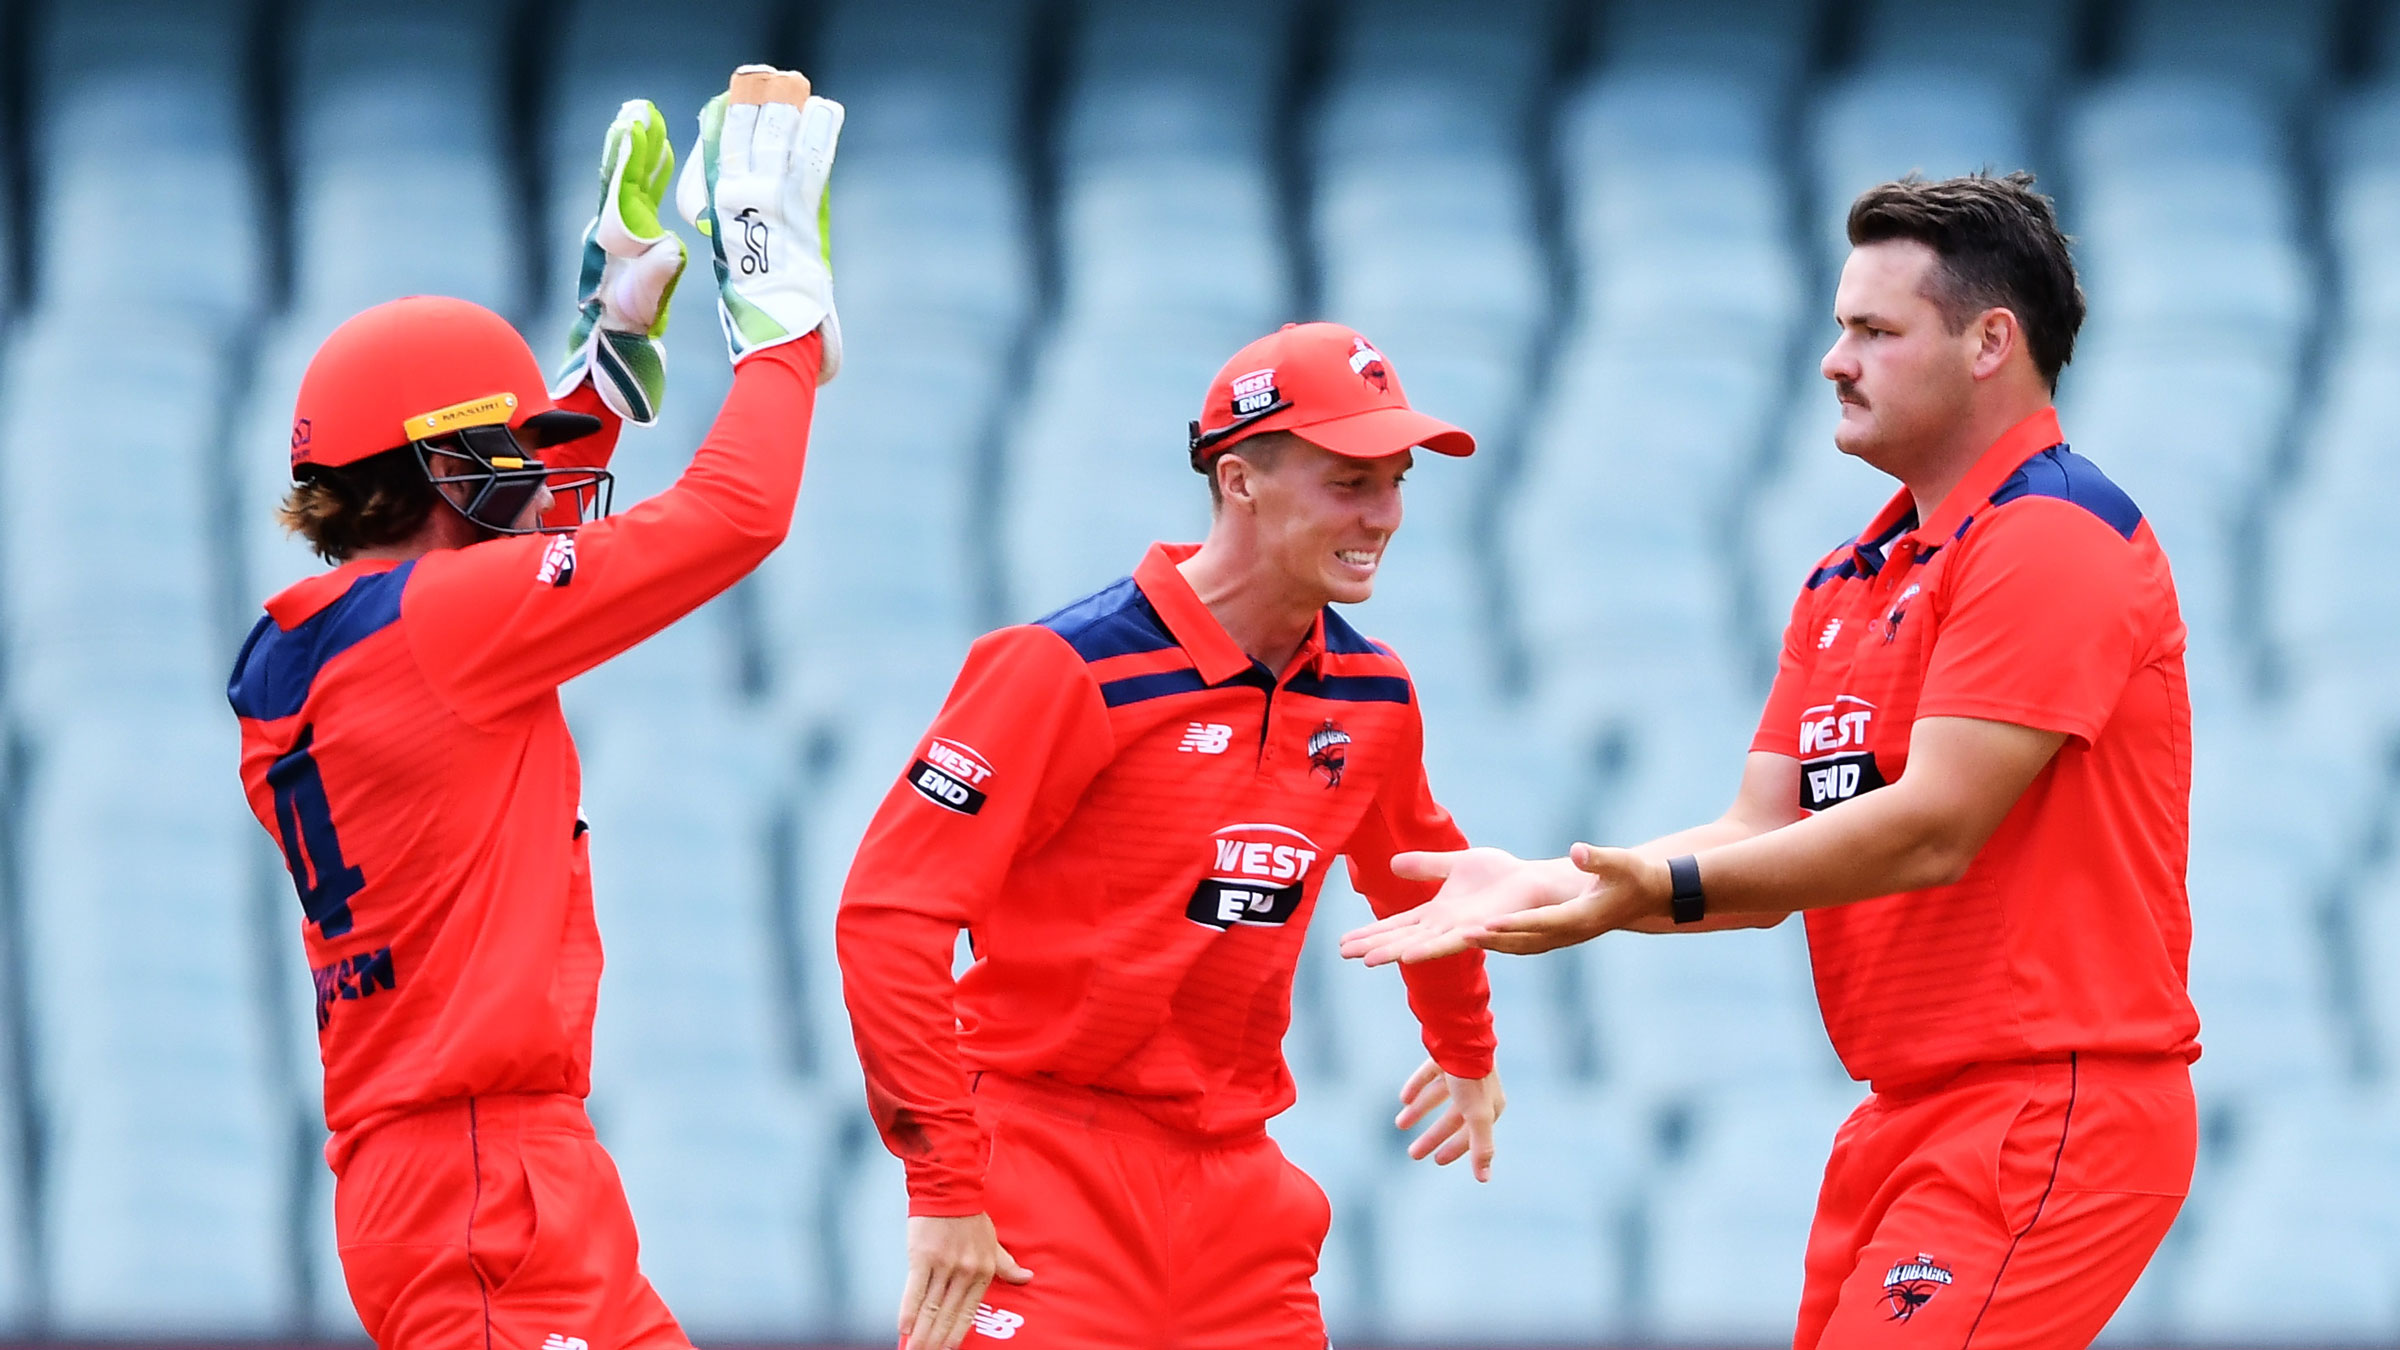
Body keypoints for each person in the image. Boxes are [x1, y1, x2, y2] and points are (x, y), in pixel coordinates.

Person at [1344, 173, 2199, 1348]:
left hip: (2049, 1105)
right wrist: (1559, 880)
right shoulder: (1851, 578)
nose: (1832, 361)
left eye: (1873, 331)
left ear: (1992, 342)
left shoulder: (2051, 537)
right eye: (1840, 327)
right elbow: (1757, 832)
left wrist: (1657, 894)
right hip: (1910, 1114)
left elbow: (1934, 827)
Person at [227, 70, 843, 1350]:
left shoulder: (330, 640)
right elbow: (739, 513)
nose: (527, 475)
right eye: (495, 451)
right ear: (436, 463)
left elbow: (492, 527)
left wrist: (604, 369)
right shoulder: (447, 626)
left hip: (480, 1170)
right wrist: (783, 331)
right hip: (479, 1182)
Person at [838, 321, 1508, 1350]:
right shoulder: (1065, 669)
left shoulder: (1375, 693)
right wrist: (944, 1184)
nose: (1386, 516)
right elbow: (890, 918)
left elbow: (1425, 877)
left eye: (1397, 481)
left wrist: (1464, 1046)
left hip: (1242, 1197)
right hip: (1040, 1173)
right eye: (1350, 482)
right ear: (1239, 480)